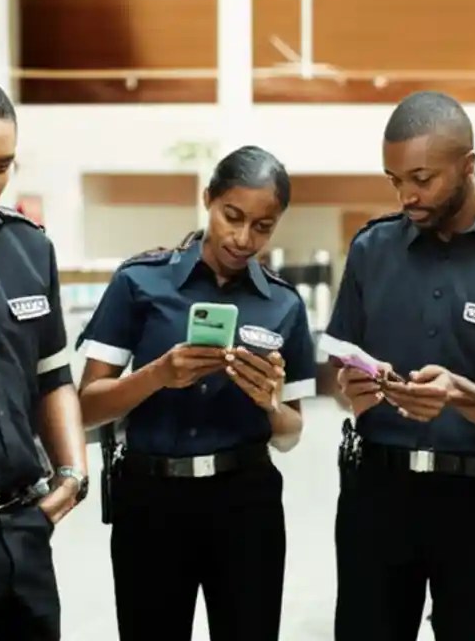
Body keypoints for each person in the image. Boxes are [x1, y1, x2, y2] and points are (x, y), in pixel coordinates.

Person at [325, 90, 475, 641]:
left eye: (422, 178)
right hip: (376, 497)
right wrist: (350, 389)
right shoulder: (371, 249)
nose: (407, 194)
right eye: (394, 180)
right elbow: (338, 371)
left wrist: (458, 394)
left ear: (468, 167)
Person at [75, 146, 315, 641]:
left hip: (246, 503)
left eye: (263, 226)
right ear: (208, 199)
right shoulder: (139, 282)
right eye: (232, 216)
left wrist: (268, 401)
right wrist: (159, 374)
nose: (244, 238)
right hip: (151, 501)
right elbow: (84, 408)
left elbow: (290, 434)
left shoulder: (284, 305)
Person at [0, 68, 87, 640]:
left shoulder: (28, 248)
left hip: (22, 535)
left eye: (1, 166)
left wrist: (74, 473)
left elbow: (52, 374)